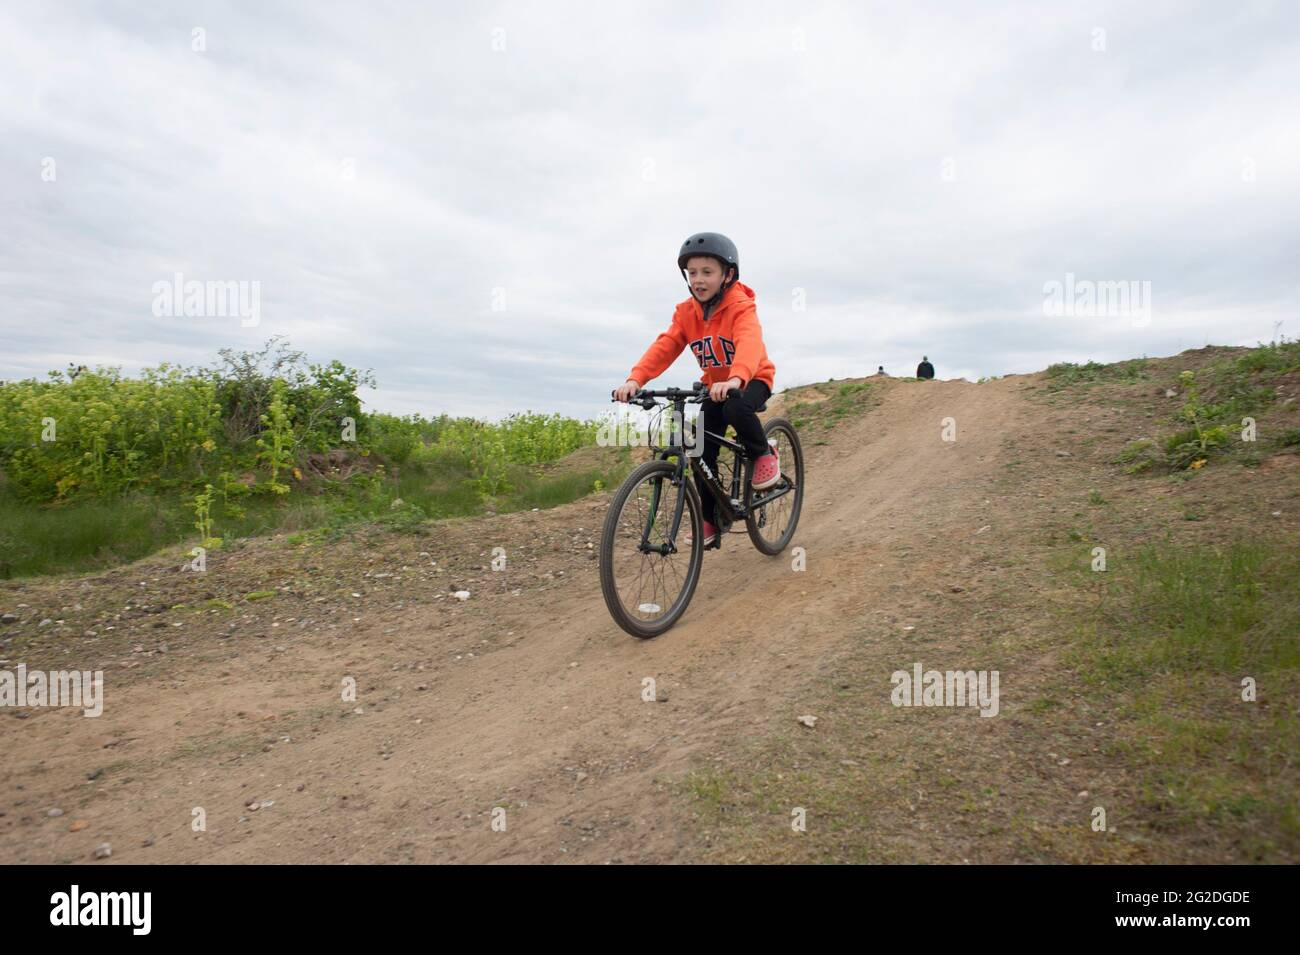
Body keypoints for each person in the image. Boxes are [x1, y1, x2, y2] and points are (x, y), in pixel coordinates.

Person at [613, 232, 777, 547]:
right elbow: (667, 345)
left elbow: (749, 341)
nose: (698, 280)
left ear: (728, 275)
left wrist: (737, 378)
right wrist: (636, 379)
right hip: (714, 386)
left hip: (751, 378)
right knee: (701, 448)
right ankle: (711, 519)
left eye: (707, 272)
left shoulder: (741, 307)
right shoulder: (687, 313)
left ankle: (763, 452)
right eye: (692, 273)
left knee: (735, 406)